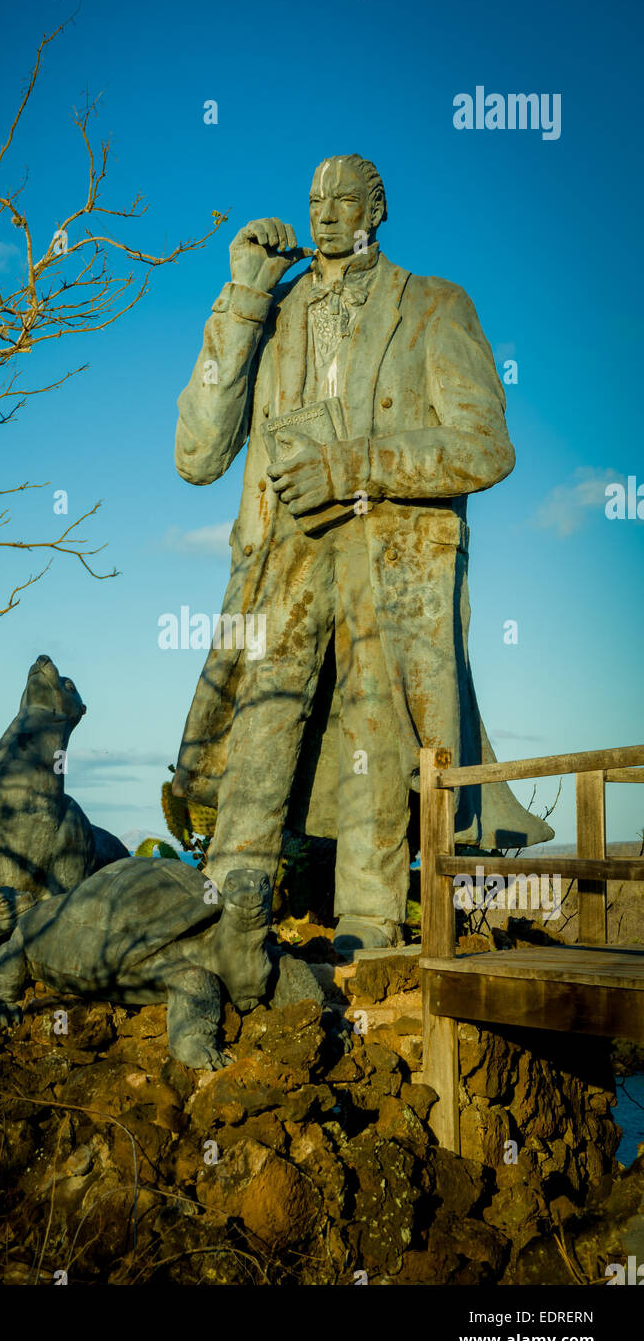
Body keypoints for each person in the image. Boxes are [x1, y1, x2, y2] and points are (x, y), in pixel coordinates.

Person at [172, 154, 551, 955]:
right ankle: (226, 916)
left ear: (377, 205)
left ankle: (368, 936)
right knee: (261, 725)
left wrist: (353, 466)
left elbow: (487, 447)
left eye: (344, 198)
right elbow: (198, 453)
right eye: (314, 199)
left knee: (378, 732)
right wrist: (243, 295)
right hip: (282, 552)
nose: (324, 213)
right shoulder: (267, 313)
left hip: (392, 555)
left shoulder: (436, 306)